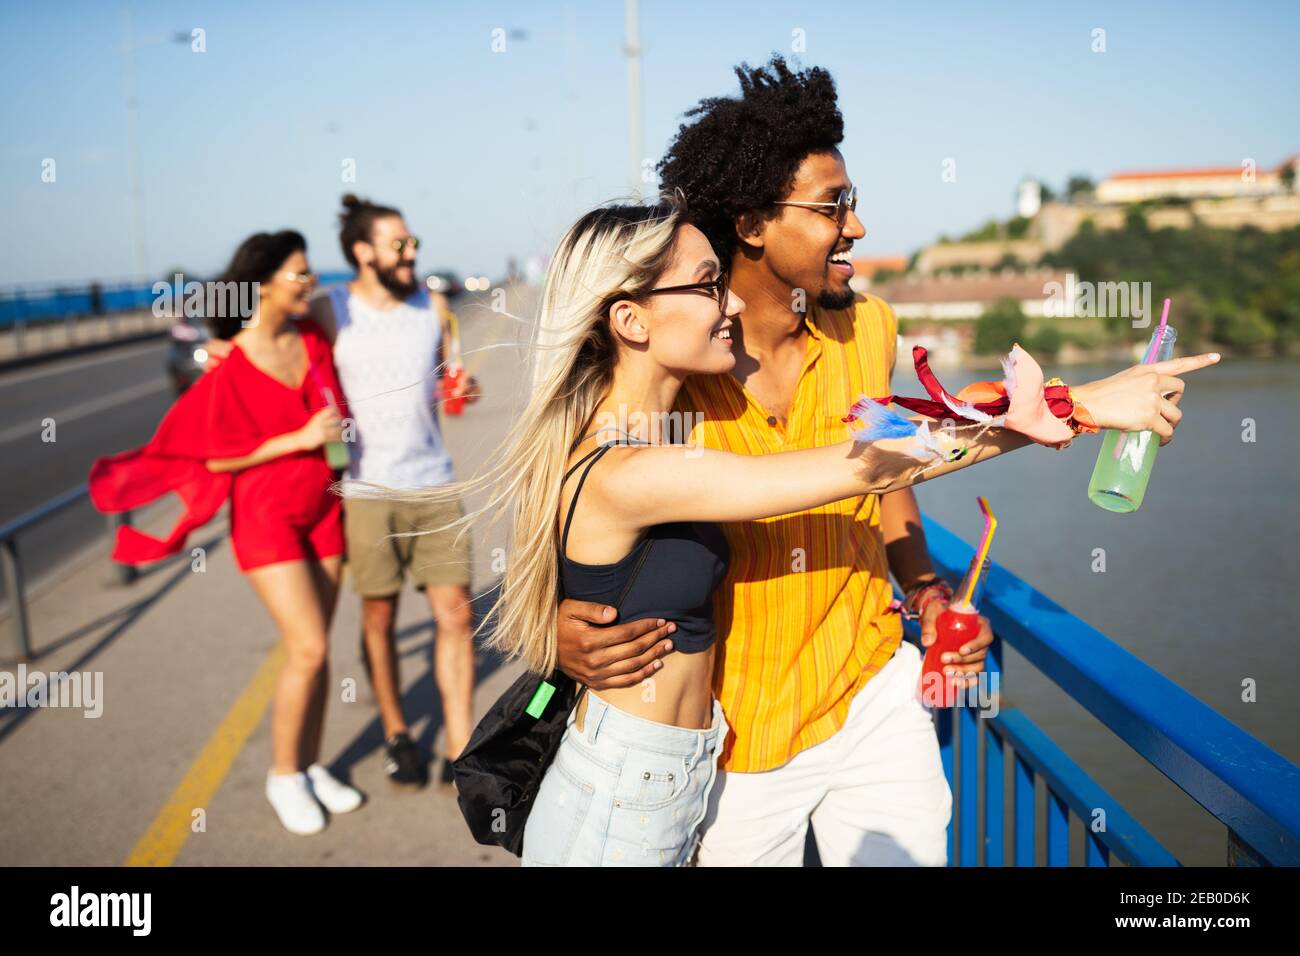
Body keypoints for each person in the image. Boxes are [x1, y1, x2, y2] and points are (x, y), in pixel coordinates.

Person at [398, 198, 1214, 866]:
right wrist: (1077, 406)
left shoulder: (657, 436)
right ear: (631, 321)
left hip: (658, 779)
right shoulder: (631, 467)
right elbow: (867, 467)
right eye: (706, 287)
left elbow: (881, 441)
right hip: (625, 796)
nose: (727, 306)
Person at [552, 57, 1222, 867]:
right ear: (754, 225)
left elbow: (888, 475)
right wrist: (561, 634)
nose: (858, 228)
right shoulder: (668, 383)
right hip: (735, 735)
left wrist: (925, 590)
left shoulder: (866, 326)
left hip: (869, 688)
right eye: (834, 207)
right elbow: (579, 520)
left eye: (854, 202)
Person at [89, 230, 364, 836]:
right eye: (298, 273)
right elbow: (209, 456)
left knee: (319, 654)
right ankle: (283, 776)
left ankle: (311, 764)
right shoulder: (231, 361)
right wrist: (295, 440)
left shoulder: (314, 334)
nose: (309, 280)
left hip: (326, 510)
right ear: (262, 283)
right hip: (267, 521)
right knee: (309, 648)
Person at [317, 195, 481, 788]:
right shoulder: (330, 310)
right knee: (379, 619)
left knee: (455, 619)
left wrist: (467, 389)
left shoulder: (433, 306)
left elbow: (452, 389)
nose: (412, 253)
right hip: (366, 491)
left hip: (434, 483)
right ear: (364, 253)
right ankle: (397, 733)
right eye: (400, 244)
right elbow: (291, 359)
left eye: (413, 243)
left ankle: (460, 746)